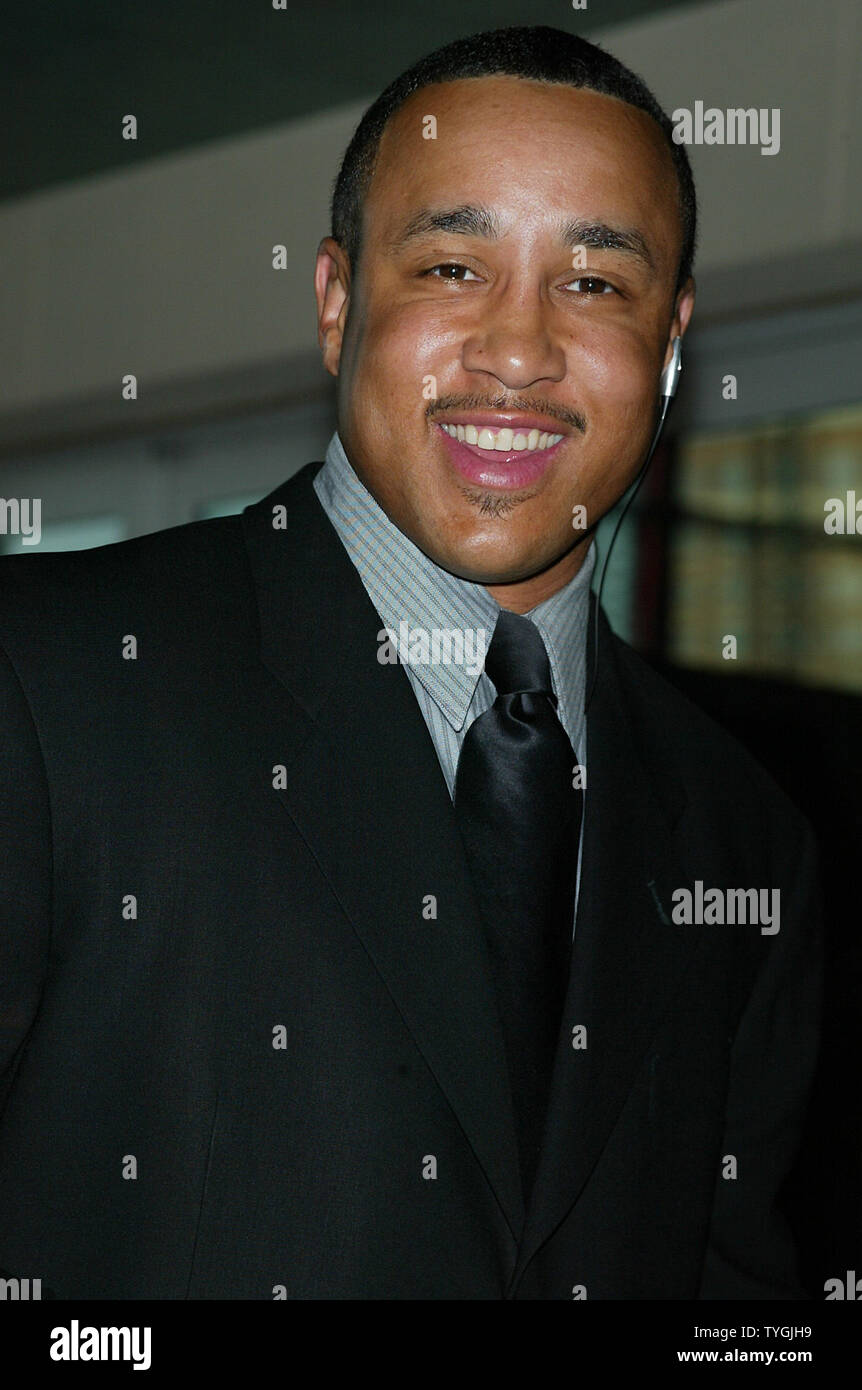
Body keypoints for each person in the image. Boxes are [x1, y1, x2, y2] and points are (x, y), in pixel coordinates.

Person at [0, 25, 821, 1299]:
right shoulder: (46, 684)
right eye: (451, 265)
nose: (518, 347)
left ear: (671, 344)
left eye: (596, 283)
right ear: (337, 305)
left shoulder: (744, 837)